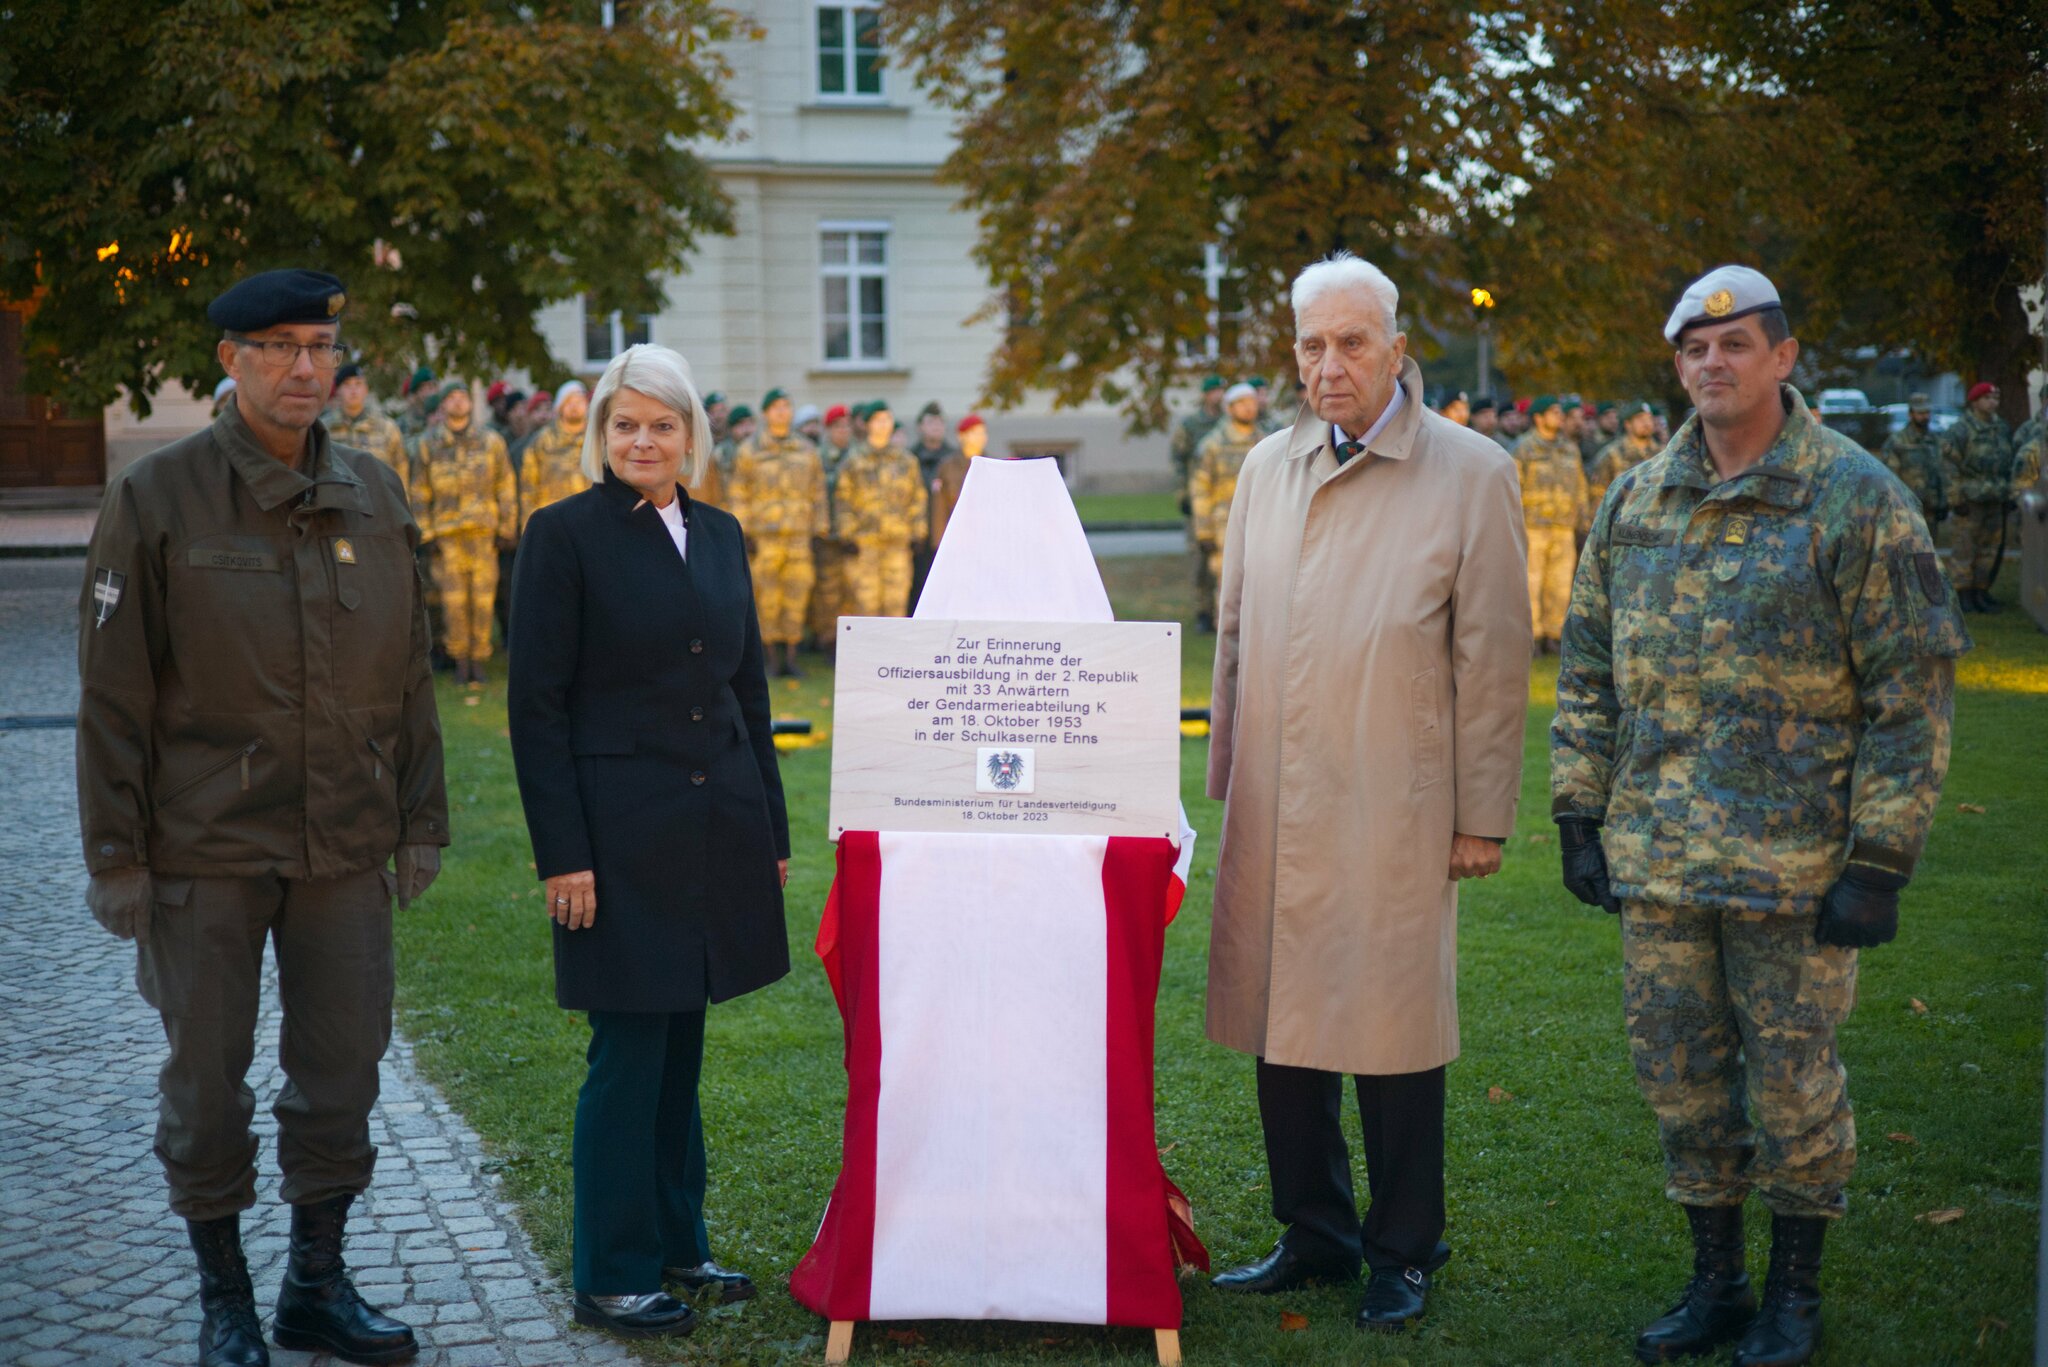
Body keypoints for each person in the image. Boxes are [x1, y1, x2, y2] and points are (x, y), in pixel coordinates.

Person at [1552, 265, 1966, 1367]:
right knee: (1680, 1084)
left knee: (1790, 1088)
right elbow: (1587, 665)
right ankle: (1716, 1284)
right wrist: (1577, 814)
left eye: (1734, 344)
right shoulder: (1637, 500)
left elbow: (1907, 690)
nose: (1710, 363)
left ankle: (1793, 1293)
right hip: (1659, 859)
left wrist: (1877, 859)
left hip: (1794, 868)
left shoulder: (1855, 496)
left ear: (1782, 357)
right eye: (1693, 348)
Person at [77, 268, 447, 1367]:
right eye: (278, 345)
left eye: (320, 345)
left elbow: (410, 676)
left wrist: (419, 818)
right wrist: (116, 856)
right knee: (207, 1081)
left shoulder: (374, 493)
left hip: (342, 842)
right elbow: (112, 694)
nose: (303, 366)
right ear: (230, 360)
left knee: (342, 1069)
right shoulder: (159, 496)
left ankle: (316, 1286)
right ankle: (224, 1297)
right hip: (205, 851)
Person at [1206, 251, 1531, 1334]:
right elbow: (1237, 635)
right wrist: (1229, 774)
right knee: (1280, 1021)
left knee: (1392, 1031)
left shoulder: (1470, 471)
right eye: (1310, 344)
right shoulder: (1265, 468)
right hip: (1278, 791)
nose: (1329, 364)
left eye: (1351, 342)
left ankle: (1399, 1246)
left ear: (1397, 348)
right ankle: (1312, 1228)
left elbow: (1492, 656)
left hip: (1394, 792)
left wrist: (1479, 814)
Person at [508, 343, 789, 1342]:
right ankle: (612, 1271)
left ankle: (679, 1241)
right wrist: (561, 853)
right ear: (599, 434)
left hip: (716, 823)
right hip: (614, 836)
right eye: (624, 423)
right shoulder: (562, 535)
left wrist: (775, 830)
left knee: (680, 1046)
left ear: (690, 437)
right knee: (627, 1050)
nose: (641, 440)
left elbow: (745, 687)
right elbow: (535, 706)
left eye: (660, 424)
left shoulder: (719, 532)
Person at [414, 379, 517, 684]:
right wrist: (426, 534)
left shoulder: (491, 441)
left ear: (471, 404)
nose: (458, 402)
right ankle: (461, 660)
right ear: (443, 405)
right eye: (452, 398)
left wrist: (507, 526)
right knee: (454, 602)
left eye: (463, 397)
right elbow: (420, 492)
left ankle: (479, 659)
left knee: (483, 600)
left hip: (483, 534)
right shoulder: (429, 444)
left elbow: (505, 484)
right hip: (448, 536)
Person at [727, 387, 829, 678]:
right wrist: (743, 532)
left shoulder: (806, 450)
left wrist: (819, 529)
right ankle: (771, 659)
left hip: (798, 537)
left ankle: (792, 658)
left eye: (787, 406)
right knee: (767, 598)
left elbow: (818, 491)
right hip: (765, 538)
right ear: (766, 413)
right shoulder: (750, 450)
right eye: (777, 407)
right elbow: (738, 492)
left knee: (797, 596)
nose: (783, 412)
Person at [832, 400, 926, 617]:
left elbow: (917, 497)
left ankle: (893, 652)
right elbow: (843, 499)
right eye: (878, 420)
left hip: (897, 542)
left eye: (887, 420)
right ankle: (866, 651)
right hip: (864, 544)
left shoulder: (906, 461)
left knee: (896, 603)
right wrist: (847, 535)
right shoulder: (853, 461)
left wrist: (918, 532)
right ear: (867, 425)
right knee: (865, 604)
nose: (883, 425)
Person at [1515, 395, 1591, 653]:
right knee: (1531, 583)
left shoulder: (1569, 448)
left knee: (1559, 584)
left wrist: (1583, 520)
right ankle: (1533, 636)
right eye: (1554, 412)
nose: (1560, 417)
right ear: (1538, 418)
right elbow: (1513, 485)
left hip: (1563, 525)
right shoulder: (1524, 448)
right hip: (1533, 525)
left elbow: (1580, 486)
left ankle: (1554, 635)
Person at [1189, 382, 1265, 630]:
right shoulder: (1213, 444)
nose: (1248, 408)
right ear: (1229, 408)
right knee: (1228, 583)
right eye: (1242, 403)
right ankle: (1228, 633)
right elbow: (1200, 488)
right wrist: (1204, 531)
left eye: (1252, 402)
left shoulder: (1266, 441)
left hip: (1262, 521)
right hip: (1224, 523)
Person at [1942, 381, 2015, 612]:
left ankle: (1980, 591)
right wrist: (1955, 498)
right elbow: (1949, 466)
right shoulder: (1961, 430)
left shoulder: (2001, 428)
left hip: (1995, 496)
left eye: (1996, 398)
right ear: (1975, 402)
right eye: (1987, 398)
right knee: (1965, 548)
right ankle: (1962, 594)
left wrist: (2009, 493)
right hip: (1970, 499)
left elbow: (2008, 462)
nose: (1992, 403)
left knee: (1988, 549)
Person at [517, 380, 592, 536]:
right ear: (560, 406)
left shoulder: (598, 440)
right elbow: (528, 487)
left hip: (590, 523)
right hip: (552, 525)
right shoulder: (542, 441)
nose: (574, 406)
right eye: (569, 401)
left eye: (579, 401)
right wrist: (529, 529)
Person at [325, 364, 410, 495]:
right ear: (338, 390)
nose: (353, 390)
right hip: (338, 505)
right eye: (347, 385)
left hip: (379, 506)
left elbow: (401, 471)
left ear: (366, 389)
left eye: (358, 384)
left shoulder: (386, 428)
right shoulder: (325, 429)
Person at [1878, 393, 1947, 523]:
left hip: (1931, 509)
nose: (1925, 416)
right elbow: (1889, 477)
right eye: (1920, 413)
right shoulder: (1898, 441)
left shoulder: (1935, 441)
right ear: (1911, 414)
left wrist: (1943, 501)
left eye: (1927, 412)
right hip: (1906, 509)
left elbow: (1942, 472)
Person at [1587, 401, 1661, 507]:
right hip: (1623, 520)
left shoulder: (1662, 452)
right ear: (1628, 424)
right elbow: (1598, 496)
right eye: (1640, 419)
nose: (1646, 423)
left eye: (1649, 418)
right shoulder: (1612, 454)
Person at [927, 413, 984, 548]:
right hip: (956, 538)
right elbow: (939, 508)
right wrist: (939, 543)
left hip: (983, 536)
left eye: (983, 432)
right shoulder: (947, 466)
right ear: (962, 436)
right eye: (975, 433)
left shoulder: (991, 464)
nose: (981, 437)